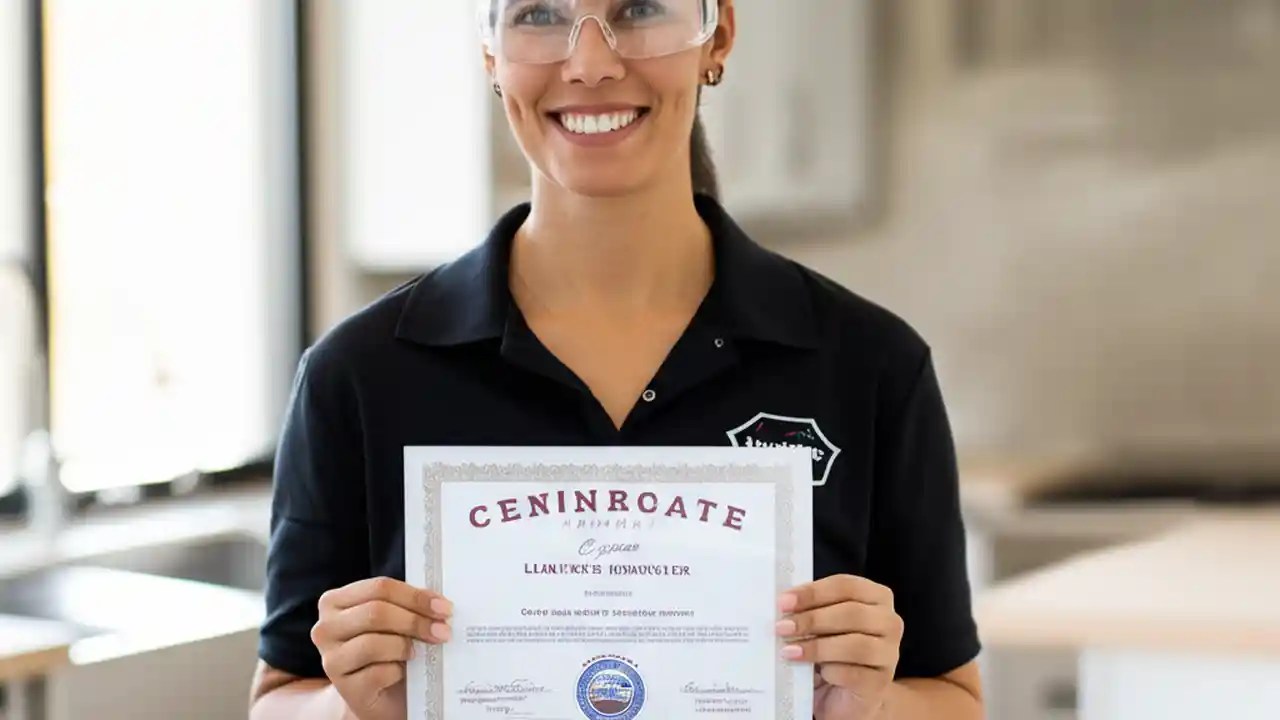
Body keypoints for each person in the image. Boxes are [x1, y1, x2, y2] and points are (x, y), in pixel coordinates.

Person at [249, 1, 985, 718]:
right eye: (539, 15)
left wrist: (867, 708)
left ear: (717, 36)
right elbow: (279, 698)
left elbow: (953, 698)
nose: (592, 62)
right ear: (489, 54)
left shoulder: (871, 365)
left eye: (639, 9)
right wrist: (356, 711)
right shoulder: (359, 374)